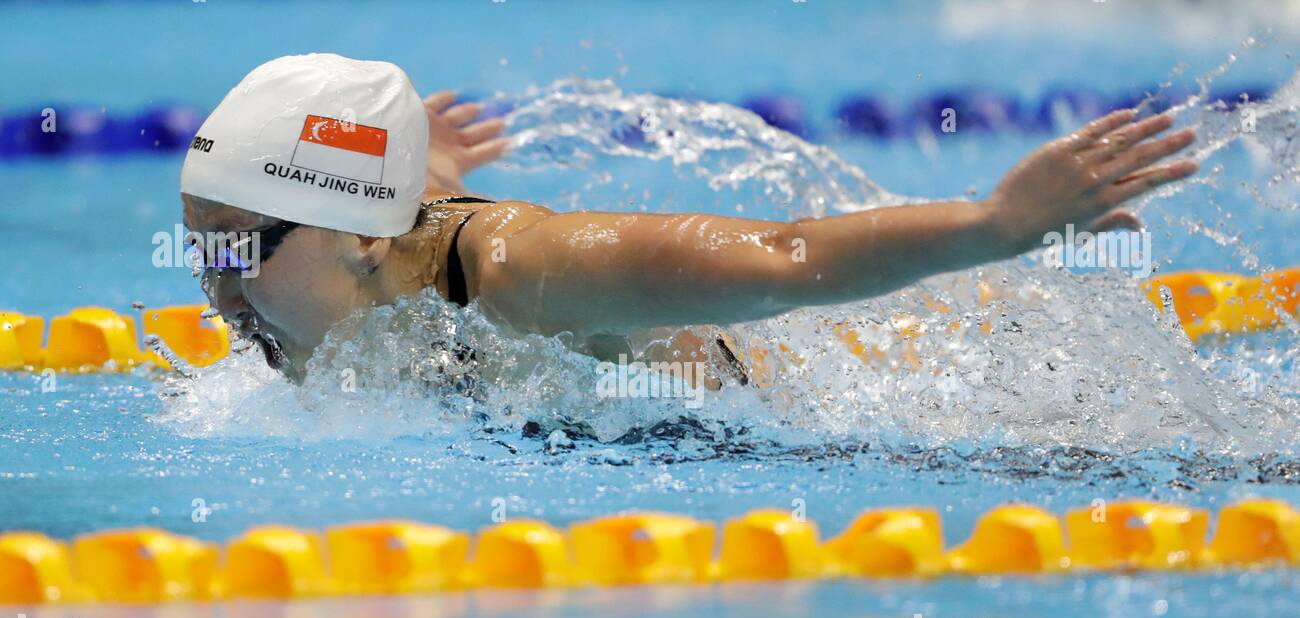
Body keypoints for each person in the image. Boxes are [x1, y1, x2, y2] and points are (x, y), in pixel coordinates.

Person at [182, 54, 1197, 384]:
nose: (216, 289)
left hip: (829, 396)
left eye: (236, 247)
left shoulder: (537, 272)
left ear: (364, 235)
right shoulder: (366, 253)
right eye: (198, 249)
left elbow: (783, 256)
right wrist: (425, 165)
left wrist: (992, 226)